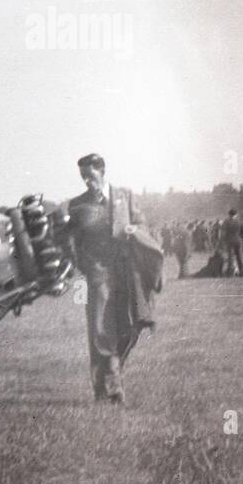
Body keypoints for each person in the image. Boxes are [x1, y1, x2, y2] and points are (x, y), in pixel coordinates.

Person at [64, 153, 160, 405]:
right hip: (98, 275)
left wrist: (134, 230)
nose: (87, 180)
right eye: (83, 176)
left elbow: (142, 224)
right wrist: (85, 265)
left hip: (127, 273)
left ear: (102, 171)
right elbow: (71, 243)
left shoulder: (124, 196)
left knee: (130, 327)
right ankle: (109, 387)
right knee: (101, 328)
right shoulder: (76, 205)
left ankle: (110, 376)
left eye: (90, 174)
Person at [220, 209, 243, 277]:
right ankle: (242, 273)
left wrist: (223, 240)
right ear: (236, 214)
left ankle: (230, 273)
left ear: (229, 214)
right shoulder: (239, 221)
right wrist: (240, 237)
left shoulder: (226, 222)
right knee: (239, 257)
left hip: (229, 240)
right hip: (238, 240)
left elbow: (223, 233)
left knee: (230, 257)